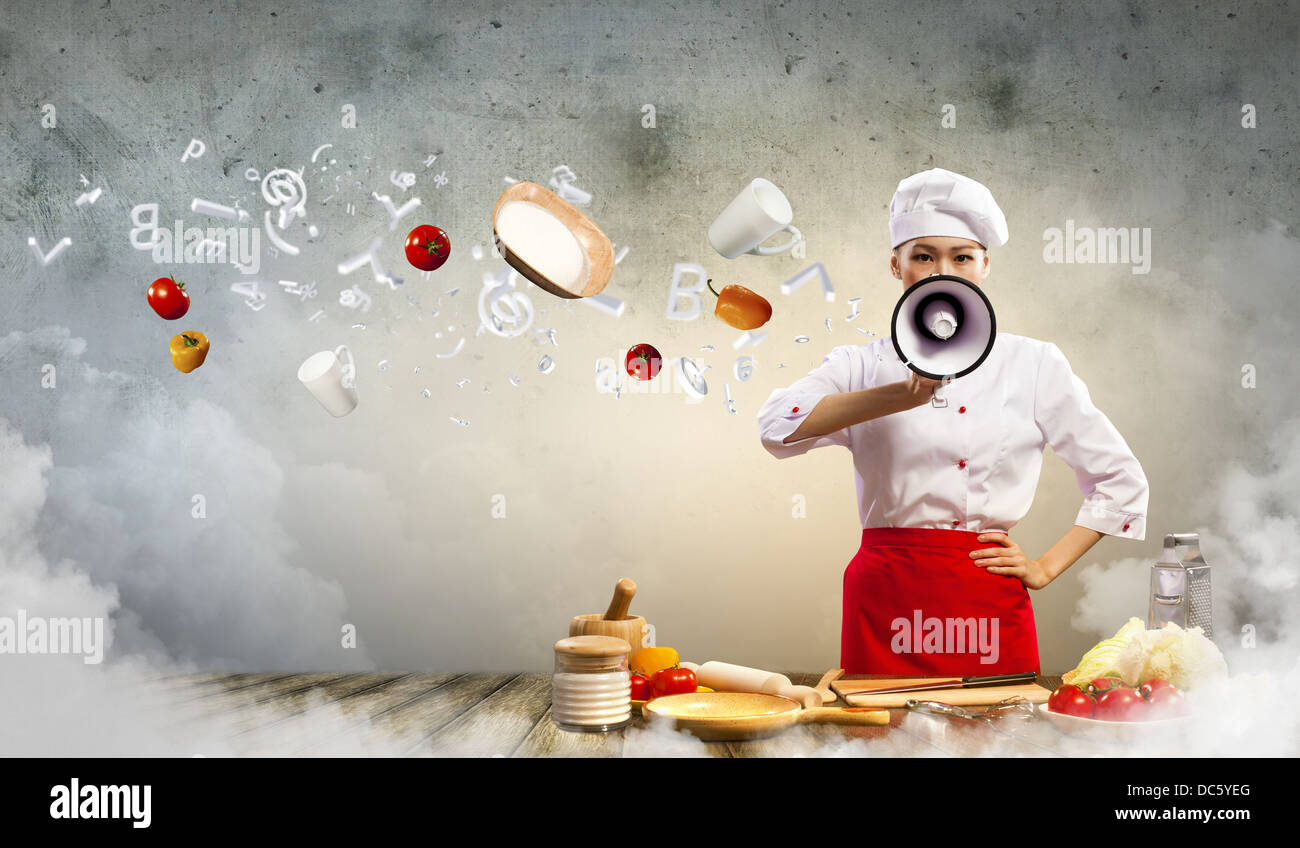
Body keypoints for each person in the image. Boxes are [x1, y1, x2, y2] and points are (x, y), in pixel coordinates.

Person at [756, 167, 1149, 676]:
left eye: (961, 257)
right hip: (886, 595)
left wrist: (1044, 568)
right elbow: (776, 426)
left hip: (984, 594)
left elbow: (1120, 481)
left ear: (984, 265)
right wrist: (902, 394)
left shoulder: (1034, 364)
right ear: (896, 265)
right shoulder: (860, 364)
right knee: (882, 747)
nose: (943, 271)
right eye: (923, 256)